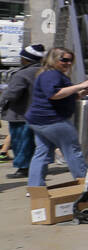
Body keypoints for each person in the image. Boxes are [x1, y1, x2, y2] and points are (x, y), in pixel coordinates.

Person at [26, 47, 88, 188]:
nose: (68, 63)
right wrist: (80, 85)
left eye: (71, 60)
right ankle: (87, 185)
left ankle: (35, 188)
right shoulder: (51, 75)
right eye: (64, 60)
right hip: (52, 120)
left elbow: (61, 95)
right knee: (73, 151)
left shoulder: (50, 74)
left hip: (39, 121)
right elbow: (53, 94)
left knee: (42, 153)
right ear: (54, 59)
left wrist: (80, 93)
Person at [1, 44, 46, 179]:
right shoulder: (45, 71)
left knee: (21, 142)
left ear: (27, 59)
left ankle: (23, 168)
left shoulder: (22, 74)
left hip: (20, 114)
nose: (20, 60)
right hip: (39, 113)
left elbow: (11, 94)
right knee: (35, 143)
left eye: (22, 57)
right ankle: (35, 166)